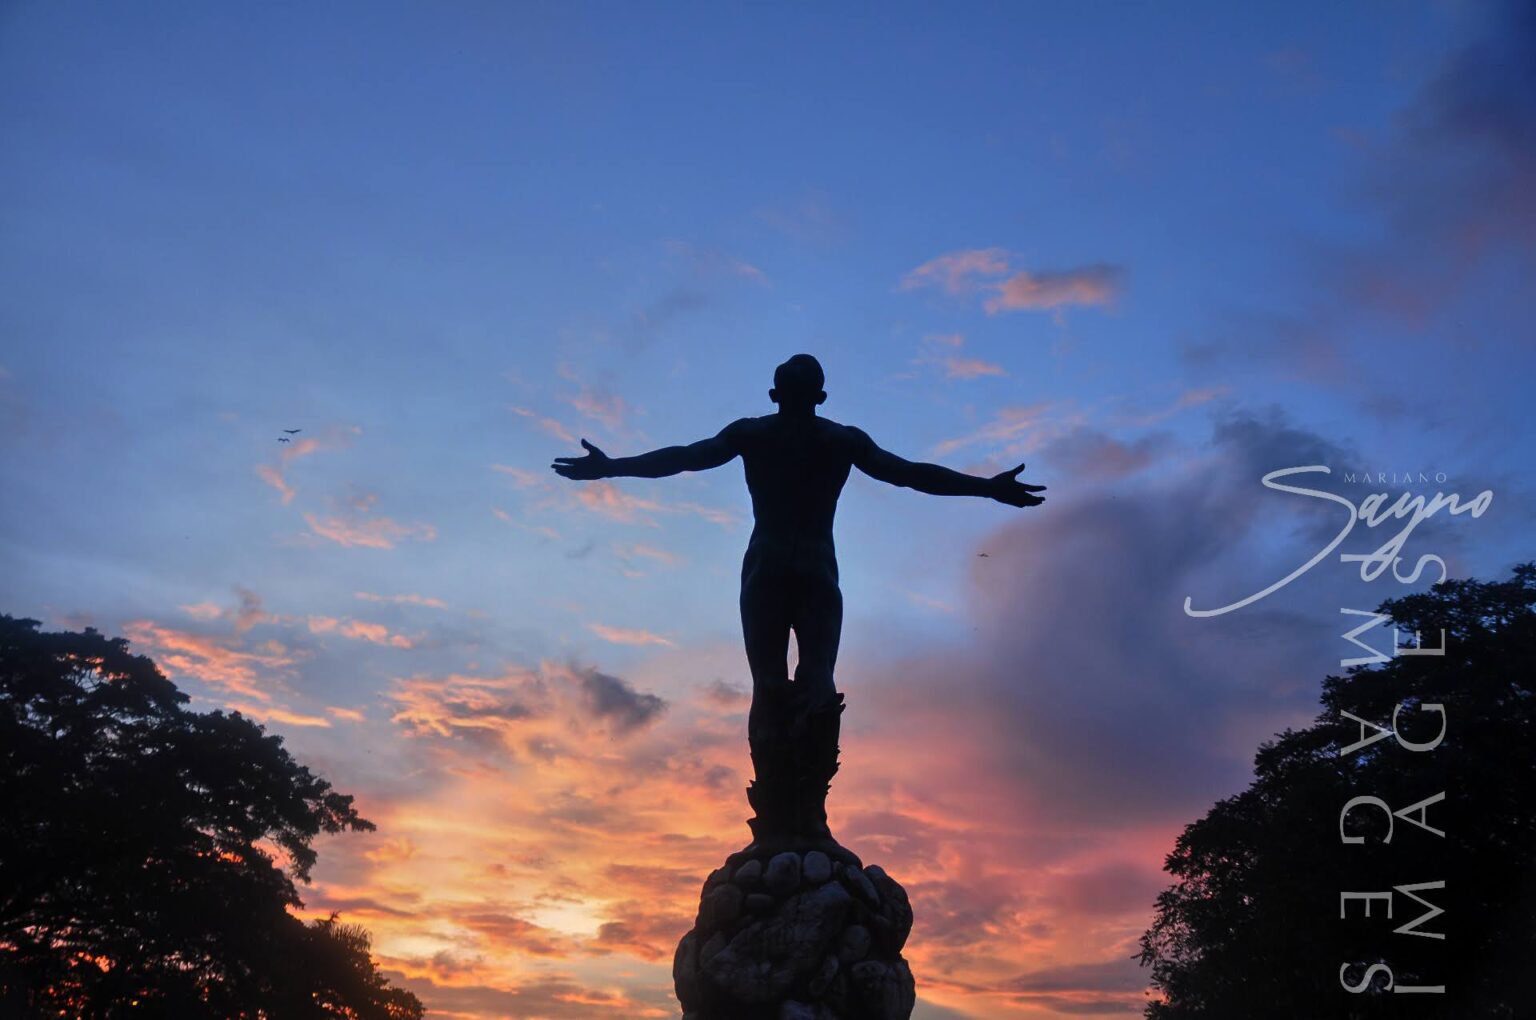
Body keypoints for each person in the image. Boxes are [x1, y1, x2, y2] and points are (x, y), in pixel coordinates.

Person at [551, 354, 1045, 740]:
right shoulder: (839, 440)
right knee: (814, 681)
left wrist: (613, 467)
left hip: (767, 564)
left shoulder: (754, 433)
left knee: (771, 683)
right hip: (814, 568)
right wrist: (986, 487)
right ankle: (798, 817)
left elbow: (684, 458)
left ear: (774, 393)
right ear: (821, 396)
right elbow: (910, 475)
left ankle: (786, 817)